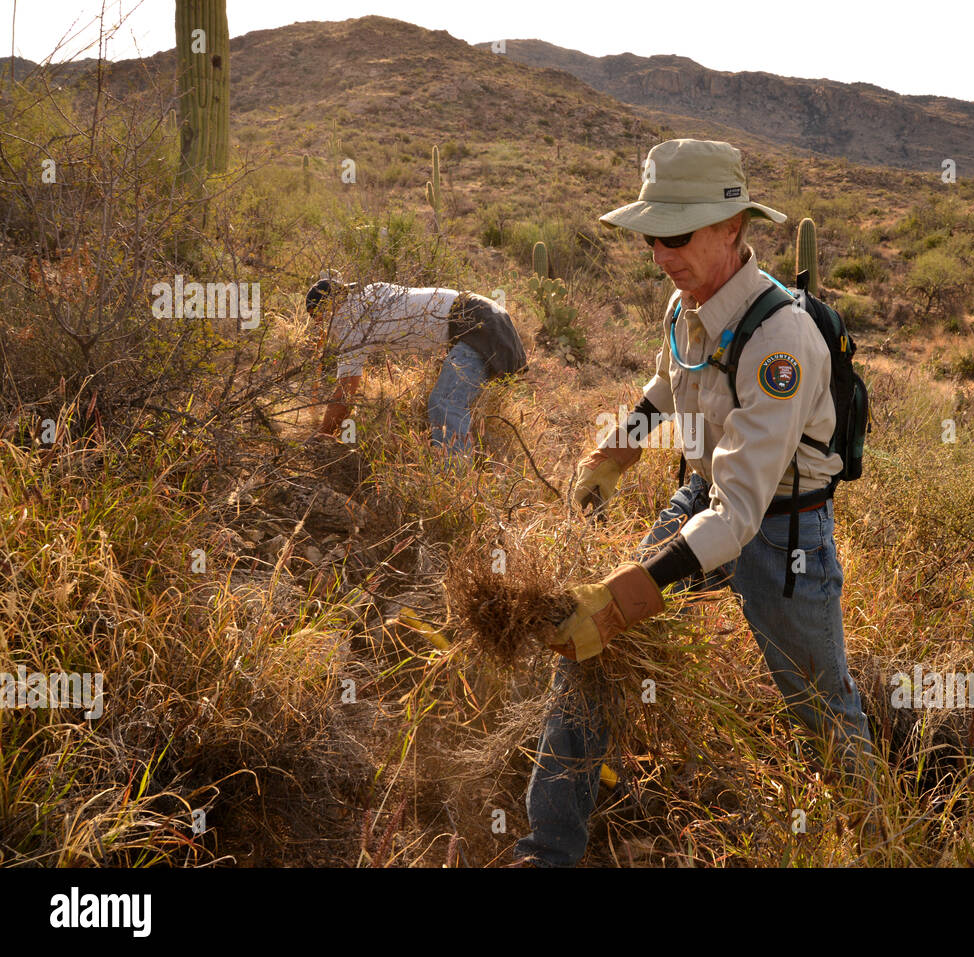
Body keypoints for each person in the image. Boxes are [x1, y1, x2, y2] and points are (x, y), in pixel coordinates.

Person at [514, 138, 874, 867]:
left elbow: (741, 514)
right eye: (651, 234)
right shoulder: (686, 306)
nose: (659, 252)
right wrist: (615, 451)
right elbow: (664, 387)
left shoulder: (782, 341)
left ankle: (876, 837)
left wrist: (628, 593)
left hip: (781, 537)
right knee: (588, 653)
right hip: (702, 500)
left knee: (820, 707)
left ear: (733, 227)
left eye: (675, 235)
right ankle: (546, 851)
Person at [305, 278, 526, 448]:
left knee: (446, 403)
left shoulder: (351, 323)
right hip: (485, 314)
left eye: (319, 318)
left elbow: (345, 394)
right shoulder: (368, 293)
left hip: (478, 325)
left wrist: (320, 437)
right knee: (450, 402)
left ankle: (452, 479)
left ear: (332, 306)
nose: (322, 326)